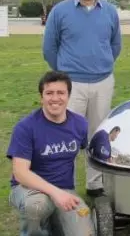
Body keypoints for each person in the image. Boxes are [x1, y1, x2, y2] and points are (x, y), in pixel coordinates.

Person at [42, 0, 122, 197]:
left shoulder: (109, 11)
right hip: (71, 83)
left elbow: (115, 45)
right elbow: (50, 48)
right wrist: (66, 74)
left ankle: (95, 184)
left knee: (98, 134)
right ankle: (63, 186)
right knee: (67, 135)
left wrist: (101, 64)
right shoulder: (60, 11)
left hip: (102, 81)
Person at [6, 71, 95, 236]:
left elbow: (91, 149)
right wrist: (55, 193)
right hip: (30, 190)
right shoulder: (26, 127)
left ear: (68, 96)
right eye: (49, 93)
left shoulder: (80, 123)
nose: (55, 98)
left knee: (83, 231)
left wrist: (108, 143)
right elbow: (20, 173)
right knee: (37, 206)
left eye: (61, 93)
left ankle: (55, 224)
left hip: (64, 191)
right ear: (41, 97)